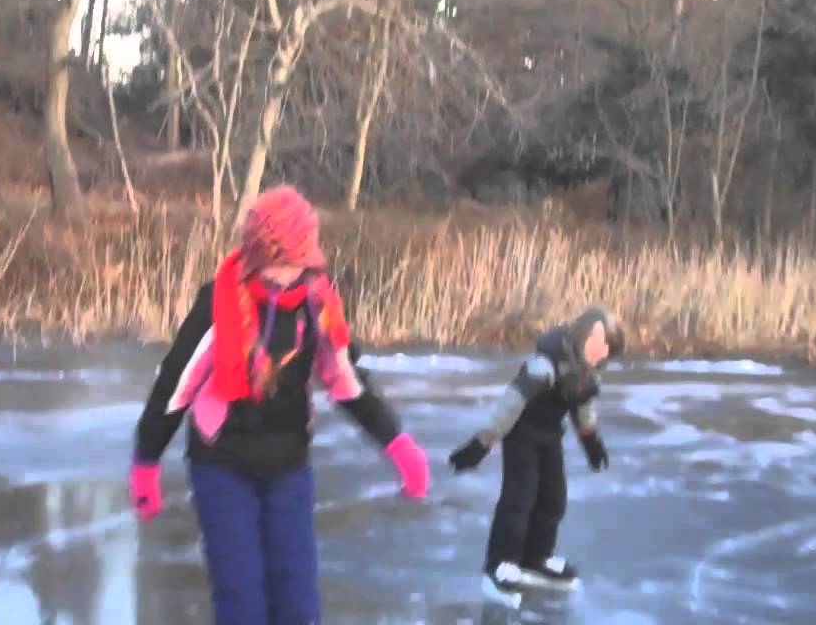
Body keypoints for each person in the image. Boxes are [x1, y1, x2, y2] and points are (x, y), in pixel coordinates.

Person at [128, 184, 431, 625]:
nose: (286, 278)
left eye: (295, 265)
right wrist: (146, 461)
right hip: (222, 464)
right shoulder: (218, 303)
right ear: (255, 257)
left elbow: (345, 379)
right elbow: (175, 386)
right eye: (276, 268)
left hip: (288, 464)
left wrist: (397, 444)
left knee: (298, 602)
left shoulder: (317, 303)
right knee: (242, 602)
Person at [447, 307, 624, 608]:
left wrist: (591, 441)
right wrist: (481, 444)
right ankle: (500, 564)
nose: (605, 354)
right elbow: (510, 405)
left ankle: (535, 558)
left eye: (610, 350)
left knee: (554, 499)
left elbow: (581, 407)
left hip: (549, 436)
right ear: (585, 337)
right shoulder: (543, 367)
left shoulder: (584, 372)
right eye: (603, 344)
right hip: (521, 435)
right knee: (519, 499)